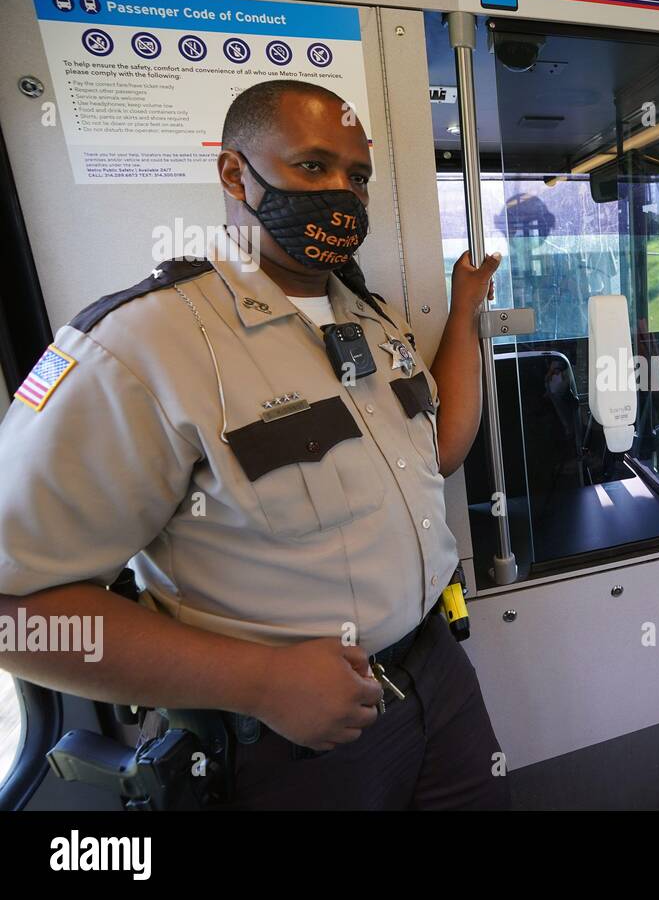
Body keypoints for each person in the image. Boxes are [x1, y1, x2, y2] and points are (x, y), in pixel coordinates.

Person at [0, 79, 510, 809]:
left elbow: (440, 455)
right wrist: (256, 682)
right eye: (313, 167)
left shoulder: (370, 320)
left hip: (439, 674)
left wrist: (463, 315)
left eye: (357, 177)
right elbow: (14, 610)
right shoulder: (142, 346)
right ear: (236, 173)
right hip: (287, 737)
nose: (342, 192)